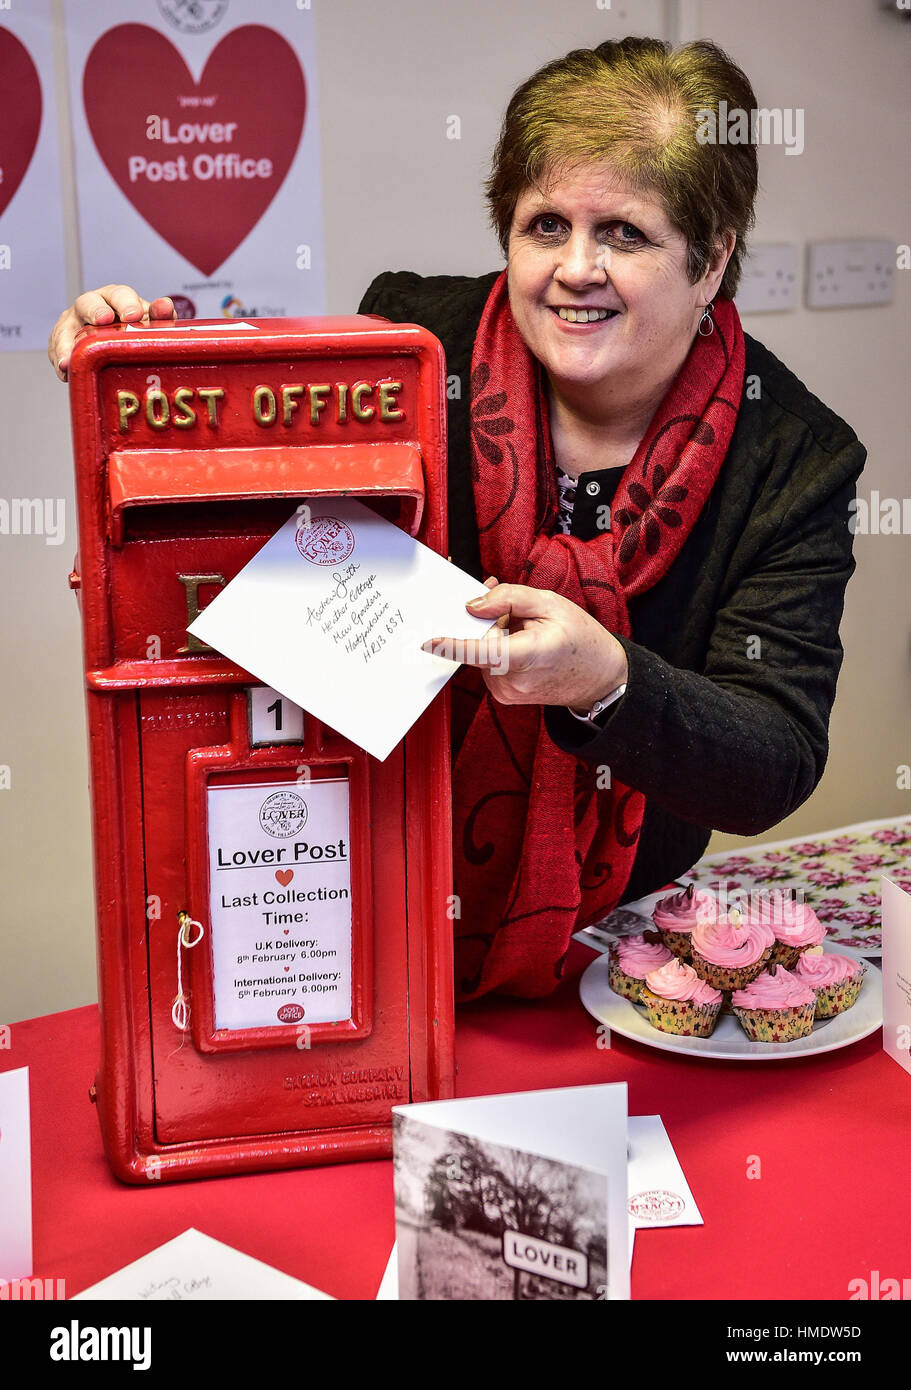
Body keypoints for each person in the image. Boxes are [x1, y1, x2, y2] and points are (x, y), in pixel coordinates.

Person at [49, 37, 866, 1003]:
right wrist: (138, 366)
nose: (574, 269)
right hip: (353, 902)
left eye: (626, 235)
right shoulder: (410, 345)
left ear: (711, 257)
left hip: (625, 951)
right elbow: (242, 501)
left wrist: (606, 682)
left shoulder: (793, 457)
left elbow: (771, 758)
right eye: (544, 225)